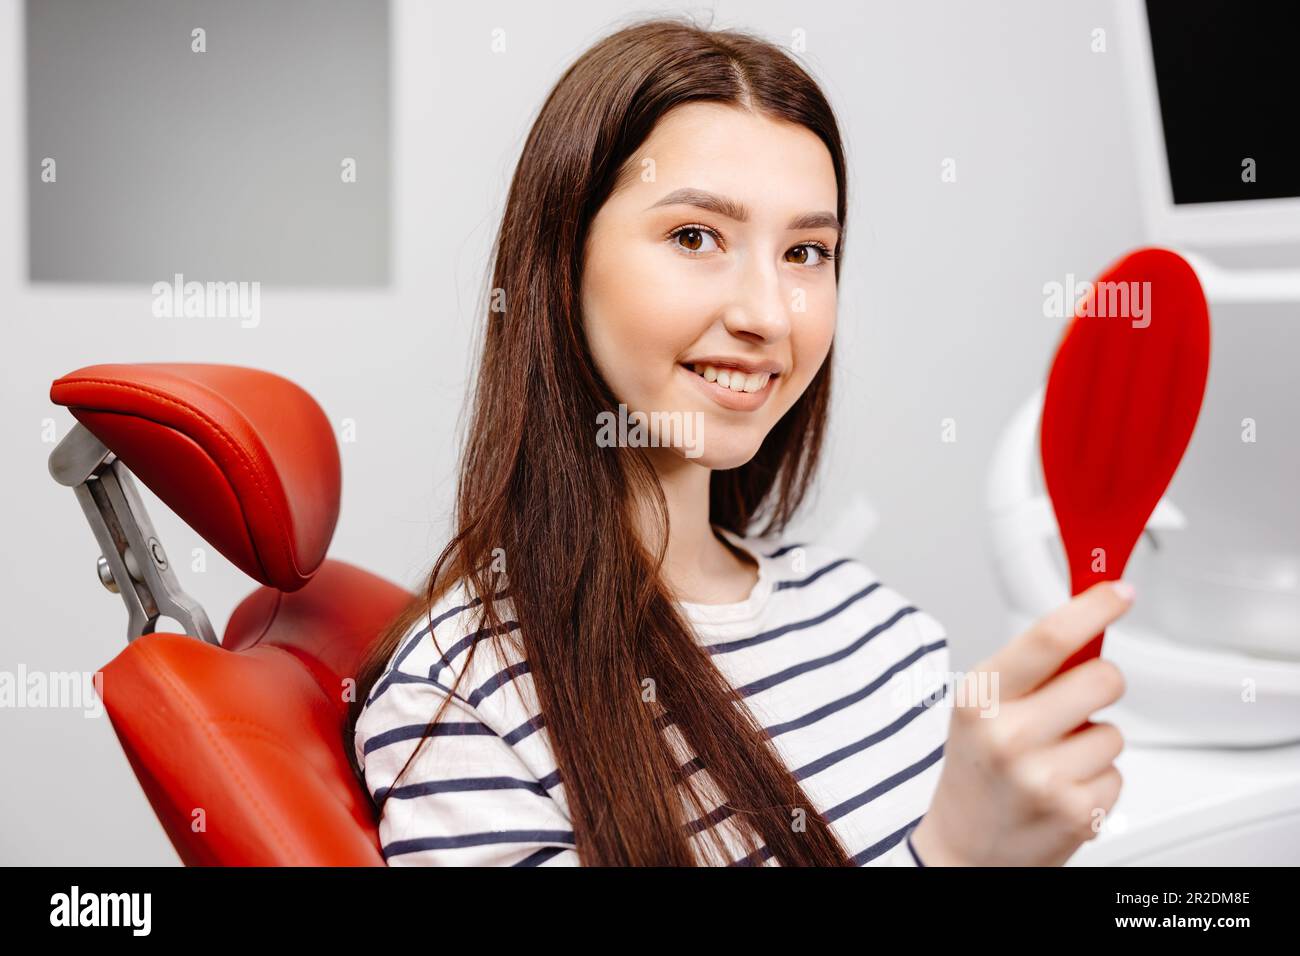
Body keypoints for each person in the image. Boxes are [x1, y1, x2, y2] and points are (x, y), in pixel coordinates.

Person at [346, 16, 1130, 867]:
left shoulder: (879, 624)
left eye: (806, 251)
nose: (766, 314)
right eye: (695, 237)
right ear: (560, 265)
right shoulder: (457, 703)